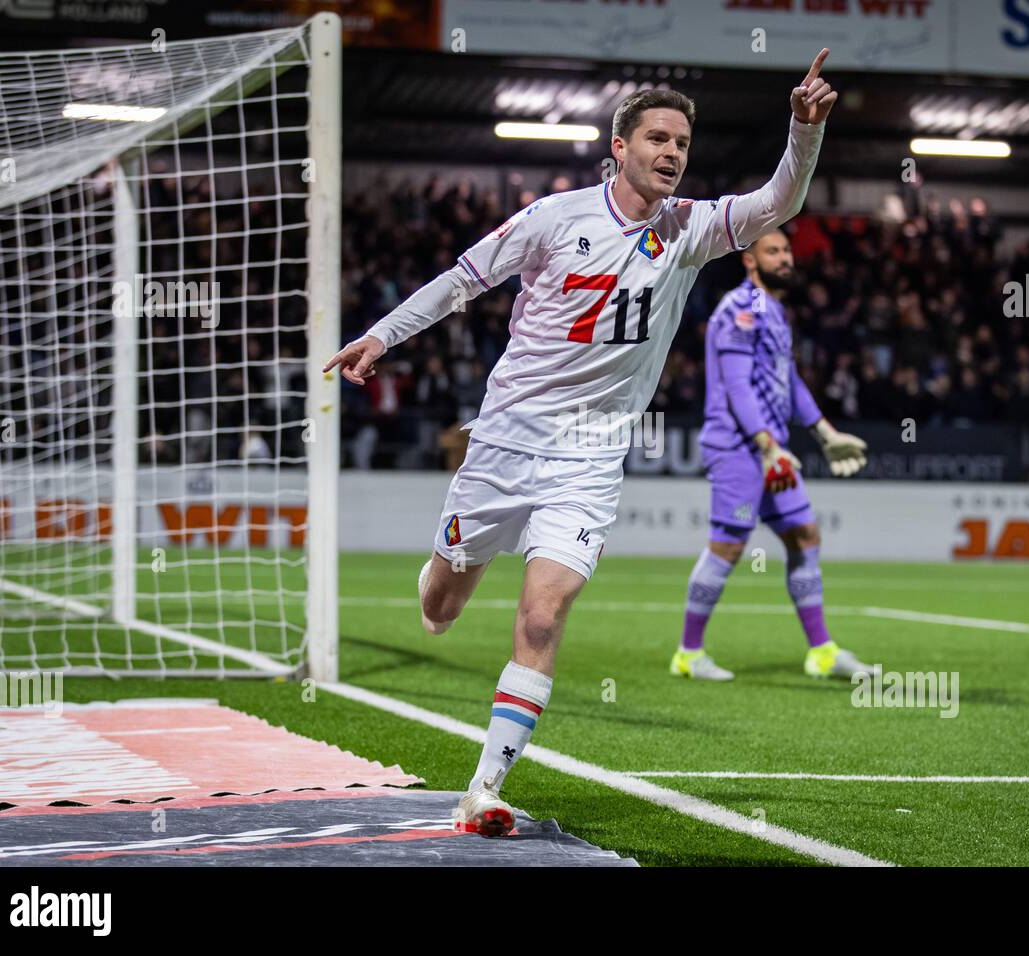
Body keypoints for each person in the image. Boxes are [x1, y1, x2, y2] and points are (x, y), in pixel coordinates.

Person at [323, 50, 839, 837]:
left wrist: (804, 129)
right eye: (658, 139)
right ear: (620, 148)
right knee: (440, 608)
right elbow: (462, 280)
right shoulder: (553, 218)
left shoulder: (693, 229)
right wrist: (380, 337)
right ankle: (441, 564)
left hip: (591, 454)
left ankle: (484, 788)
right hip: (504, 442)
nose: (672, 153)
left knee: (543, 616)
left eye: (682, 144)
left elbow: (776, 202)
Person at [671, 228, 873, 682]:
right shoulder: (739, 310)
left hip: (772, 450)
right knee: (728, 545)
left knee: (804, 536)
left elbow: (790, 382)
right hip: (739, 448)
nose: (785, 259)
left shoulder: (775, 313)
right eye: (773, 251)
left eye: (786, 251)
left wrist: (825, 432)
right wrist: (767, 446)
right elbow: (738, 385)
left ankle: (821, 650)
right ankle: (688, 652)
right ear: (749, 260)